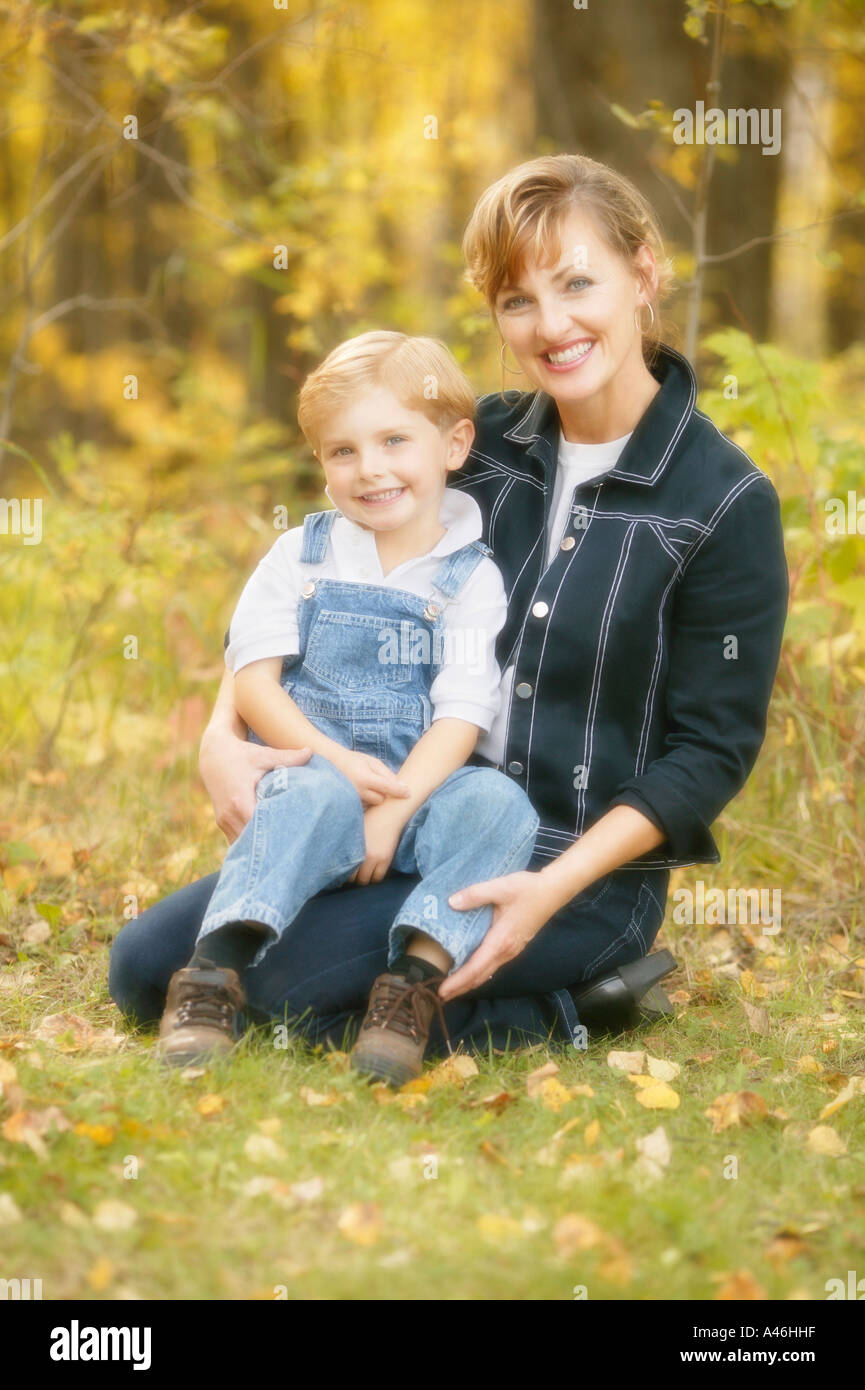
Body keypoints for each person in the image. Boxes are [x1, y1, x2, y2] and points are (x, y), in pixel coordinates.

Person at [110, 152, 788, 1059]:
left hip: (573, 867)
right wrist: (222, 735)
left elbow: (709, 754)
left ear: (643, 272)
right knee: (145, 967)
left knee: (276, 992)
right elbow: (322, 573)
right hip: (408, 812)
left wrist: (548, 889)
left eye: (577, 283)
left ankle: (583, 1000)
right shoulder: (477, 444)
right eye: (517, 300)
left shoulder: (721, 501)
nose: (551, 325)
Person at [156, 331, 539, 1084]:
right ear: (320, 462)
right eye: (341, 451)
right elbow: (254, 681)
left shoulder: (470, 575)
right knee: (305, 788)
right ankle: (211, 975)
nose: (369, 470)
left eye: (394, 440)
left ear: (453, 443)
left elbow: (462, 714)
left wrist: (395, 808)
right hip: (316, 777)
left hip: (414, 794)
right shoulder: (299, 555)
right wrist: (334, 763)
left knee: (499, 805)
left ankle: (411, 988)